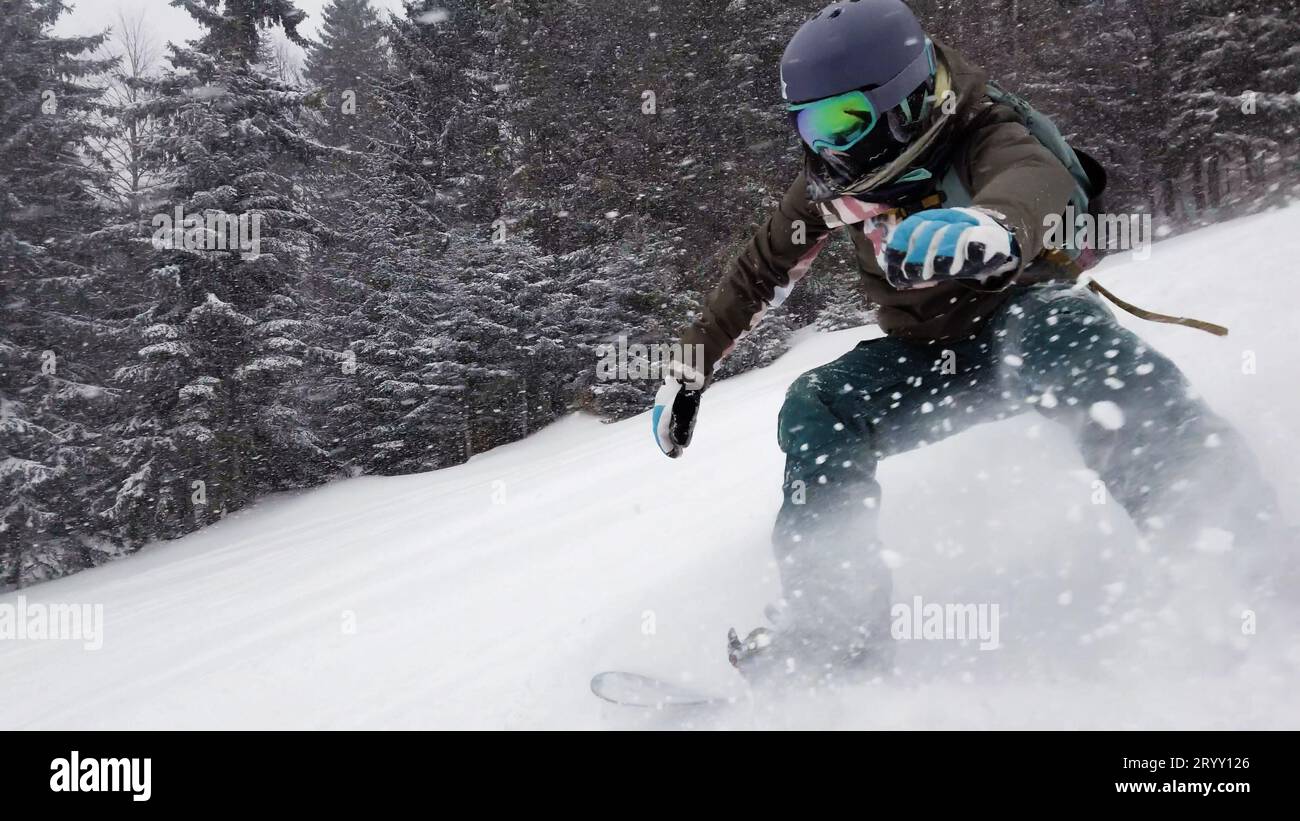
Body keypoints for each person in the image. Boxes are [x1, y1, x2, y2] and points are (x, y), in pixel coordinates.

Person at [650, 0, 1283, 685]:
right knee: (817, 403)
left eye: (845, 119)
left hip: (1024, 323)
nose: (828, 144)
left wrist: (995, 228)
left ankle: (1238, 557)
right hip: (929, 360)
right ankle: (837, 641)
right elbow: (759, 268)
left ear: (903, 101)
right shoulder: (839, 184)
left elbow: (1036, 180)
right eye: (811, 123)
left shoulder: (981, 128)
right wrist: (691, 367)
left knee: (1066, 333)